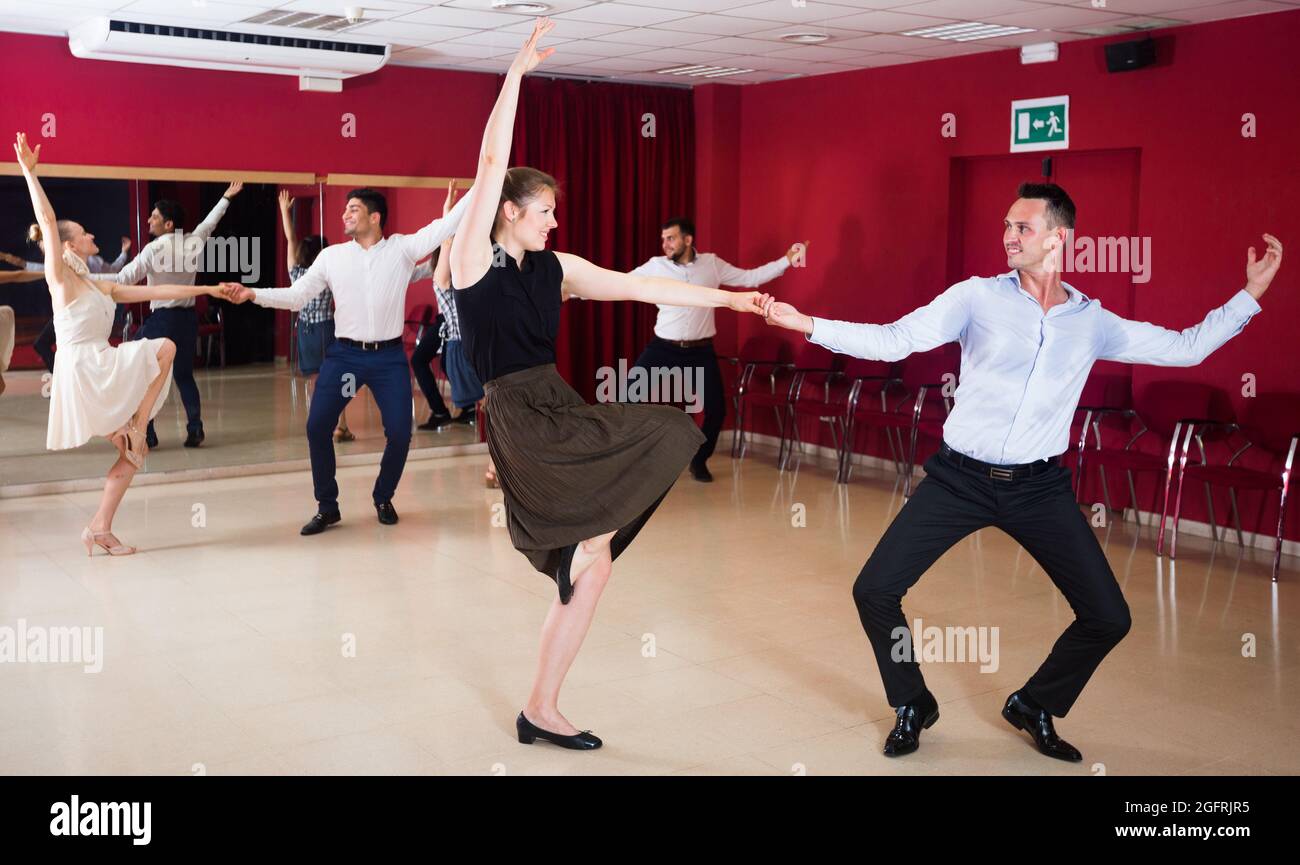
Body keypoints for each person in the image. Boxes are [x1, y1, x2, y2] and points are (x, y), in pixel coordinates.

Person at [760, 181, 1283, 762]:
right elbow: (896, 340)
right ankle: (912, 701)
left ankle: (1035, 703)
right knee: (875, 590)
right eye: (1007, 226)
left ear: (1060, 238)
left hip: (1039, 488)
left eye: (1022, 227)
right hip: (959, 479)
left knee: (1108, 617)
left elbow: (1186, 348)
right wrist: (808, 324)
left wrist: (1250, 295)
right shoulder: (976, 298)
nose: (1008, 236)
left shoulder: (1093, 321)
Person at [449, 19, 771, 750]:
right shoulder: (473, 260)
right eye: (544, 212)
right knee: (605, 525)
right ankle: (577, 544)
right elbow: (491, 154)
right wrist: (517, 71)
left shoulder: (558, 271)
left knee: (604, 553)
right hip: (518, 415)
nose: (555, 222)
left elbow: (637, 286)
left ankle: (541, 707)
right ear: (508, 210)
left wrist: (736, 300)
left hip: (557, 402)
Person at [13, 132, 226, 555]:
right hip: (84, 371)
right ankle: (135, 428)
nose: (95, 236)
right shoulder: (62, 280)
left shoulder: (98, 284)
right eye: (87, 234)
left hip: (100, 363)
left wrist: (210, 290)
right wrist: (28, 172)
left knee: (134, 452)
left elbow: (155, 291)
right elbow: (49, 223)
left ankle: (100, 525)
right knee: (164, 348)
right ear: (70, 246)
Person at [223, 184, 473, 535]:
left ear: (375, 216)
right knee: (317, 427)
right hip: (346, 358)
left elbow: (445, 227)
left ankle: (383, 496)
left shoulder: (402, 249)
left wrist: (484, 182)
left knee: (400, 433)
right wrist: (253, 294)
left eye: (353, 209)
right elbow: (297, 297)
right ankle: (328, 506)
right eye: (345, 209)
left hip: (387, 358)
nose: (345, 214)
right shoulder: (331, 257)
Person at [628, 218, 804, 481]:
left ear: (688, 240)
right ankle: (628, 462)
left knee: (717, 410)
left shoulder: (711, 264)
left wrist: (786, 261)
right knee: (628, 398)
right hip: (663, 347)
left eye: (671, 238)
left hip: (700, 351)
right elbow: (619, 282)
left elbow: (750, 277)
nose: (665, 244)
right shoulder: (656, 266)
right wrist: (572, 292)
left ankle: (699, 461)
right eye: (663, 239)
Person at [104, 184, 244, 448]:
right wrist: (226, 197)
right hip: (187, 320)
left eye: (154, 217)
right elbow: (211, 222)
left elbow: (123, 278)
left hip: (162, 320)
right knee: (183, 375)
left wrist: (88, 281)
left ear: (168, 224)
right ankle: (195, 428)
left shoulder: (153, 250)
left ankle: (148, 432)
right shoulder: (193, 241)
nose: (149, 220)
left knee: (143, 374)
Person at [279, 189, 355, 442]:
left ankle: (321, 422)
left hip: (305, 330)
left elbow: (290, 239)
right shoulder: (326, 273)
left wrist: (284, 212)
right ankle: (340, 425)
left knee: (316, 378)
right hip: (326, 328)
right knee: (338, 376)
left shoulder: (296, 272)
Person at [412, 179, 484, 433]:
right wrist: (448, 210)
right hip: (452, 329)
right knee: (439, 362)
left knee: (449, 364)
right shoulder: (441, 271)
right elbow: (445, 241)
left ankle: (464, 409)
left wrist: (449, 211)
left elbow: (447, 242)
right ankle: (459, 409)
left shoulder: (455, 271)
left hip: (458, 333)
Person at [3, 236, 131, 371]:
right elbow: (37, 270)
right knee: (50, 346)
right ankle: (66, 377)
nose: (91, 237)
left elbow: (114, 273)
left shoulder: (92, 263)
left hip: (80, 313)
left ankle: (66, 377)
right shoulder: (65, 263)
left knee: (53, 346)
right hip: (76, 312)